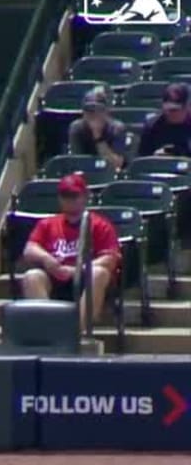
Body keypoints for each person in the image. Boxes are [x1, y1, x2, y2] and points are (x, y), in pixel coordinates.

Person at [21, 172, 121, 325]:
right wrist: (46, 259)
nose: (70, 200)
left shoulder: (100, 225)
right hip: (56, 277)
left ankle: (77, 332)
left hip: (84, 281)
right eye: (65, 196)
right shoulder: (47, 224)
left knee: (99, 273)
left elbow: (110, 259)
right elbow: (29, 249)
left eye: (74, 196)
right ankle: (49, 333)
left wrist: (78, 269)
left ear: (85, 197)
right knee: (32, 276)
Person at [68, 86, 127, 171]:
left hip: (109, 175)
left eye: (97, 110)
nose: (93, 114)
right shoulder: (76, 128)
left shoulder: (117, 128)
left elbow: (117, 164)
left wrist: (98, 137)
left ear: (105, 112)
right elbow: (77, 162)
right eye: (89, 110)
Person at [136, 82, 191, 158]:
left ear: (187, 107)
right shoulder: (153, 125)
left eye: (175, 109)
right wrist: (155, 156)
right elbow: (143, 158)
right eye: (167, 109)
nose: (170, 113)